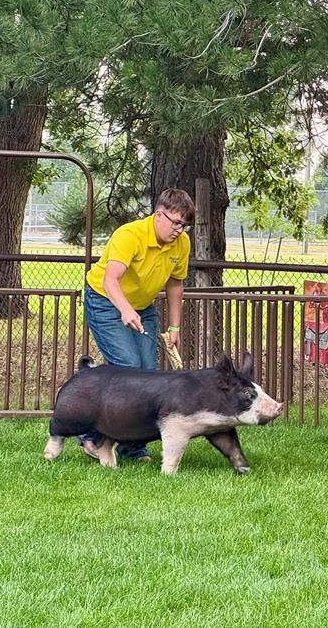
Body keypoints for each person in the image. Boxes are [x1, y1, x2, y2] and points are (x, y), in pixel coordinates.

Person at [79, 188, 194, 462]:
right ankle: (90, 436)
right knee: (129, 369)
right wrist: (125, 309)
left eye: (184, 224)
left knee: (147, 376)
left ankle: (132, 448)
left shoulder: (181, 244)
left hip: (142, 307)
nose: (179, 230)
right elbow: (110, 280)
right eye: (175, 222)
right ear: (158, 215)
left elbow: (175, 284)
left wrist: (174, 328)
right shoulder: (129, 235)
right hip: (105, 301)